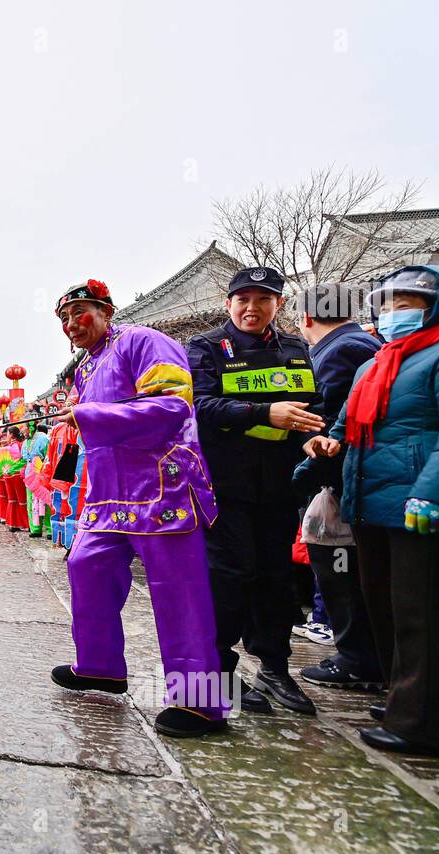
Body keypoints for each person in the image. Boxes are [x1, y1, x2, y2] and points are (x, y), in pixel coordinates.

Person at [307, 265, 439, 757]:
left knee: (422, 612)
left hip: (420, 505)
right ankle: (402, 700)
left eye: (406, 305)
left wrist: (432, 492)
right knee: (384, 608)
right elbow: (345, 423)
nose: (393, 314)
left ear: (437, 305)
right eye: (386, 304)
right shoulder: (377, 363)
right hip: (370, 502)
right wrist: (327, 443)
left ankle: (425, 724)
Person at [51, 279, 229, 737]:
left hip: (161, 487)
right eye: (64, 319)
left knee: (179, 593)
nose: (72, 325)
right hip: (108, 494)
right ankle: (100, 666)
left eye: (80, 313)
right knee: (85, 566)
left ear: (106, 311)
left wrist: (89, 416)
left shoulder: (145, 342)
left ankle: (200, 702)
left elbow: (172, 407)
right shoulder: (85, 369)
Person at [187, 266, 324, 717]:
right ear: (228, 304)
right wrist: (266, 412)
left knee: (274, 577)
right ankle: (219, 669)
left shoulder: (294, 348)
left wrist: (310, 436)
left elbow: (310, 405)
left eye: (263, 299)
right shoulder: (206, 348)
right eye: (243, 299)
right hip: (224, 485)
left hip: (279, 485)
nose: (252, 308)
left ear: (278, 305)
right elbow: (198, 405)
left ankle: (274, 666)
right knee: (228, 576)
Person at [292, 283, 385, 691]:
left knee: (341, 570)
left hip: (342, 479)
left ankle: (357, 657)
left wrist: (297, 475)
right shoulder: (360, 344)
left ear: (306, 318)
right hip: (351, 478)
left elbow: (326, 417)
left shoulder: (340, 351)